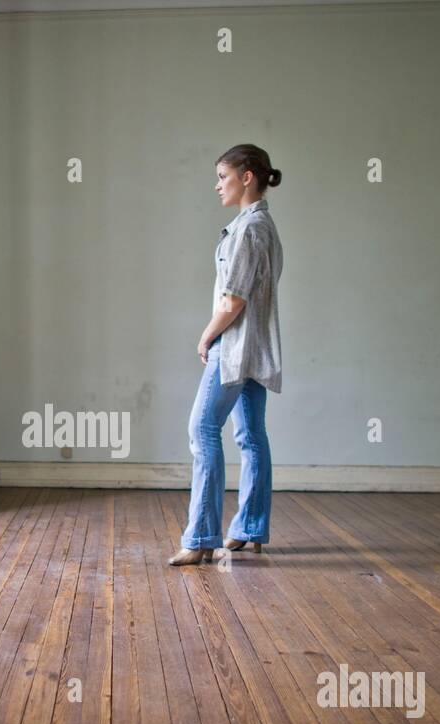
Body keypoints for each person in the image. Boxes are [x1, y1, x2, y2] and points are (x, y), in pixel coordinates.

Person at [169, 144, 284, 567]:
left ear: (247, 176)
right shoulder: (261, 226)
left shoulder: (249, 229)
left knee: (202, 430)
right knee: (251, 436)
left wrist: (205, 337)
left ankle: (201, 537)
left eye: (223, 176)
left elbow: (232, 300)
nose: (218, 185)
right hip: (256, 347)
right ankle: (250, 528)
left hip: (235, 348)